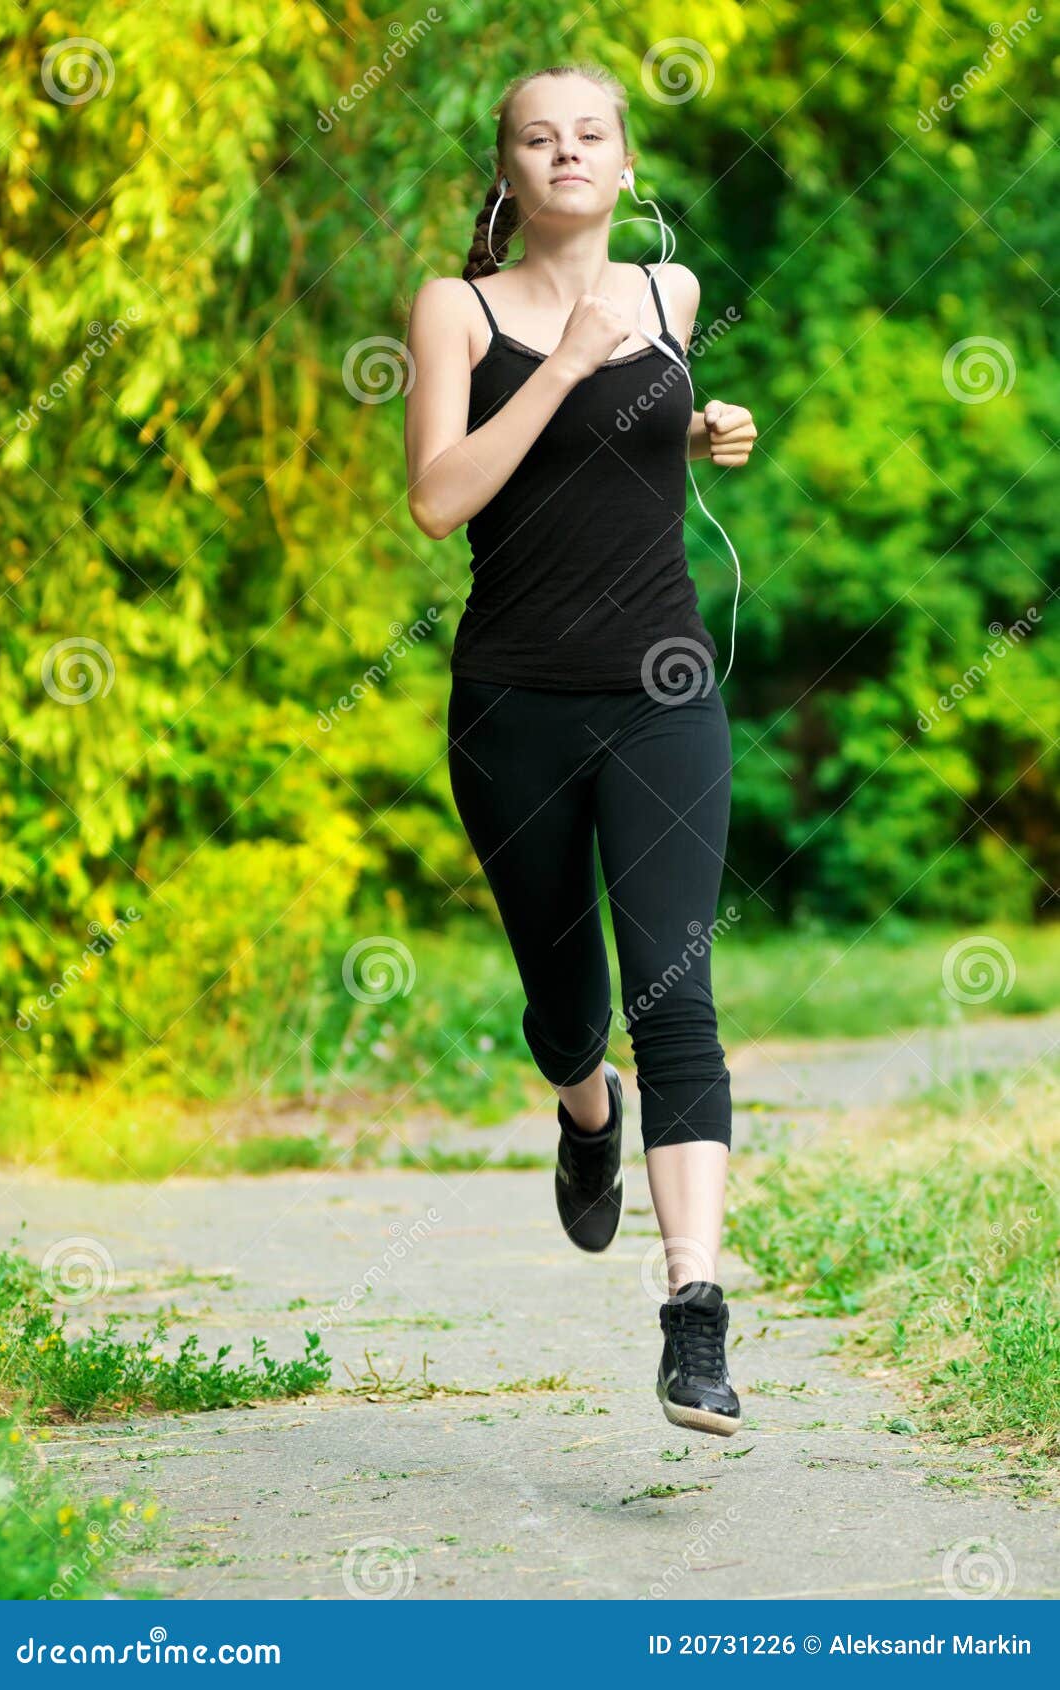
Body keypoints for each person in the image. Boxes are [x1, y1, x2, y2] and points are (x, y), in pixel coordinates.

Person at [403, 61, 757, 1437]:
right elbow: (439, 499)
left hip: (663, 689)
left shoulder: (670, 298)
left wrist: (709, 424)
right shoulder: (459, 309)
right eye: (538, 139)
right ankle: (583, 1112)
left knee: (675, 992)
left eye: (589, 136)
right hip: (512, 703)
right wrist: (562, 364)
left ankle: (696, 1316)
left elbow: (646, 444)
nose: (566, 154)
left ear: (623, 168)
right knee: (567, 1002)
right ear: (510, 170)